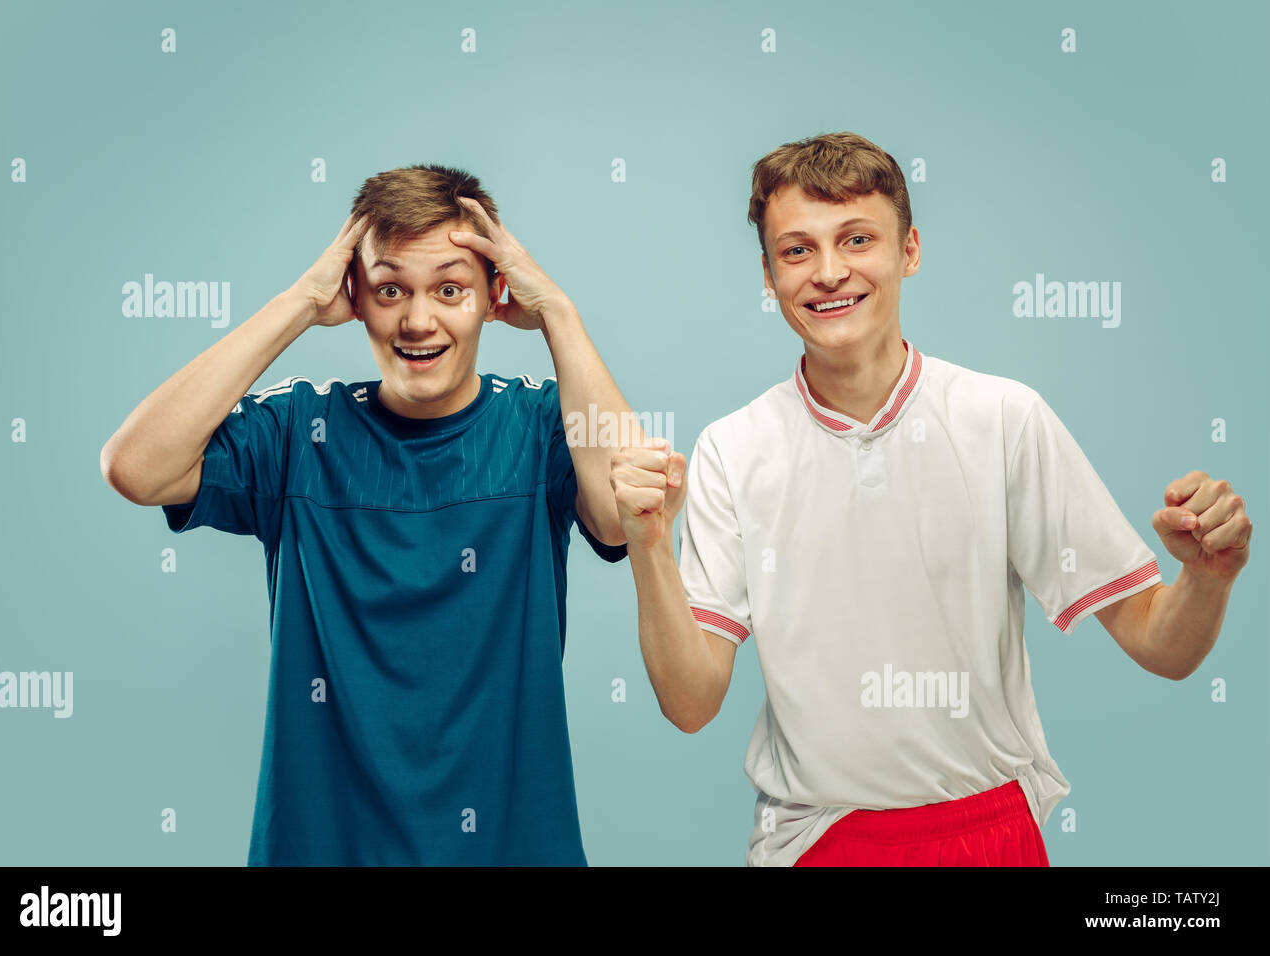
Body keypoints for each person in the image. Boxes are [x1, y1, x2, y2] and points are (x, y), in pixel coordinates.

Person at [609, 132, 1252, 866]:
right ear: (767, 273)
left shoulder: (1005, 420)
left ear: (909, 249)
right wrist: (648, 545)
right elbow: (690, 705)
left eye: (857, 239)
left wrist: (1206, 576)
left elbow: (1158, 645)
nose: (828, 272)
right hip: (819, 840)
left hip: (989, 833)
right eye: (796, 250)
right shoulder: (732, 448)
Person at [100, 164, 636, 865]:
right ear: (354, 295)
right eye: (390, 290)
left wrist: (560, 315)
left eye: (450, 289)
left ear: (493, 294)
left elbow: (625, 515)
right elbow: (136, 467)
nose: (418, 320)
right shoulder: (300, 431)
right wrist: (298, 302)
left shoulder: (537, 428)